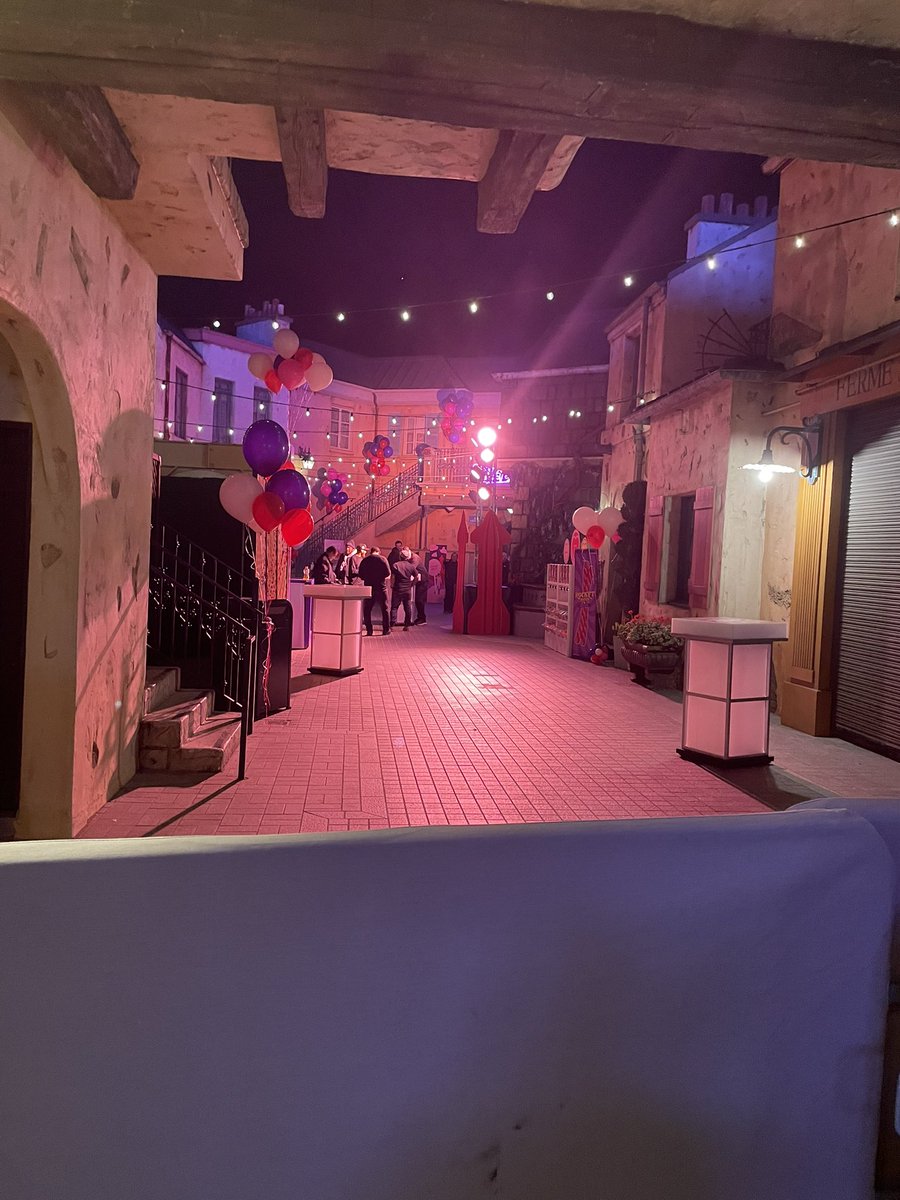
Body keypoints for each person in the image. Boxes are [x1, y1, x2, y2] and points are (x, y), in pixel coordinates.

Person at [358, 547, 391, 636]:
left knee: (367, 609)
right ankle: (386, 629)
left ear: (371, 552)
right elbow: (388, 573)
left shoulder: (365, 560)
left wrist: (367, 578)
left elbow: (360, 574)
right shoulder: (383, 559)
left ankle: (369, 630)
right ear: (378, 552)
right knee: (385, 608)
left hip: (369, 587)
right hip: (381, 587)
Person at [390, 548, 418, 631]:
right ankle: (407, 625)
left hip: (397, 588)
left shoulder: (395, 565)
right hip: (407, 589)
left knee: (394, 607)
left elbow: (393, 576)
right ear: (407, 557)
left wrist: (392, 585)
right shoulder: (411, 566)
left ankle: (392, 625)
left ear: (400, 556)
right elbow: (416, 576)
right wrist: (412, 584)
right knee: (407, 607)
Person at [413, 551, 429, 624]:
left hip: (423, 581)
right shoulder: (414, 558)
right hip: (421, 581)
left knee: (419, 600)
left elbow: (411, 569)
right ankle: (420, 617)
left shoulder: (414, 559)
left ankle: (422, 618)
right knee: (418, 600)